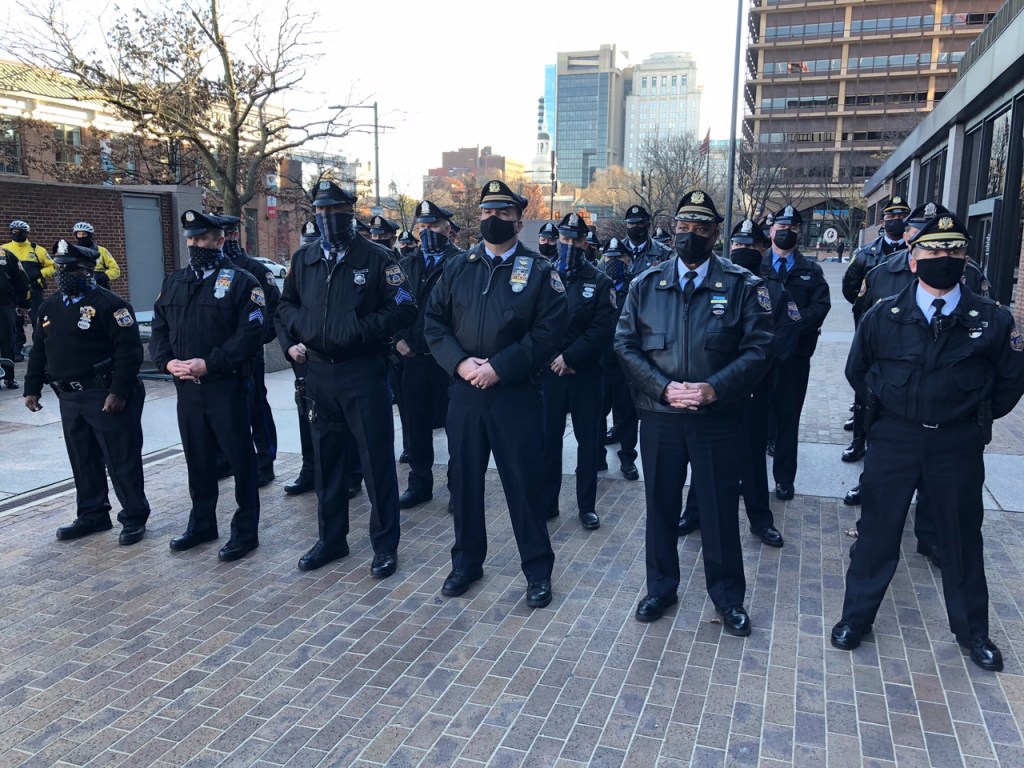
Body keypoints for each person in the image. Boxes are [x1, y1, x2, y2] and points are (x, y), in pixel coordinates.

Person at [831, 212, 1024, 672]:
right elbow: (858, 373)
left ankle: (972, 631)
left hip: (955, 445)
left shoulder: (991, 320)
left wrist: (967, 416)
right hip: (895, 439)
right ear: (913, 261)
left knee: (960, 539)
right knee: (877, 534)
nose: (945, 259)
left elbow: (1010, 382)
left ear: (965, 259)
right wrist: (890, 416)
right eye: (934, 251)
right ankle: (855, 619)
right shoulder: (884, 314)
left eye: (954, 251)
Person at [615, 190, 773, 632]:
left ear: (716, 232)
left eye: (701, 228)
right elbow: (624, 345)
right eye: (684, 227)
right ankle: (660, 588)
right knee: (660, 505)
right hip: (661, 415)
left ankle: (728, 598)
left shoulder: (743, 285)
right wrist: (663, 389)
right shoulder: (645, 285)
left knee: (720, 510)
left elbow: (759, 350)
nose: (690, 235)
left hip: (716, 417)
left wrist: (711, 389)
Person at [424, 179, 567, 608]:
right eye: (487, 212)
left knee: (524, 487)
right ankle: (466, 563)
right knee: (464, 485)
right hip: (466, 394)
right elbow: (434, 323)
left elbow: (549, 332)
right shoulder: (458, 267)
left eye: (503, 213)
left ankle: (538, 571)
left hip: (515, 396)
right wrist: (461, 364)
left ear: (519, 220)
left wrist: (500, 368)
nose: (493, 219)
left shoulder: (540, 271)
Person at [275, 180, 415, 578]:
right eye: (319, 211)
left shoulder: (377, 258)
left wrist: (359, 328)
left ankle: (385, 545)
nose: (326, 218)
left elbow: (404, 306)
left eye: (334, 210)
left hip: (362, 372)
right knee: (328, 464)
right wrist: (303, 329)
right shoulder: (304, 260)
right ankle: (331, 539)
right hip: (319, 375)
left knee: (375, 464)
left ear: (350, 210)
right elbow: (286, 305)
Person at [150, 210, 264, 561]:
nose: (194, 244)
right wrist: (166, 361)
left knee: (240, 461)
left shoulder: (243, 281)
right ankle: (202, 523)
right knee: (198, 460)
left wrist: (210, 363)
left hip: (225, 387)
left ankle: (245, 531)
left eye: (202, 238)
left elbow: (252, 332)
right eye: (191, 238)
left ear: (220, 240)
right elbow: (159, 328)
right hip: (188, 390)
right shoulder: (175, 281)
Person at [677, 219, 796, 547]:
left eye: (749, 246)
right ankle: (694, 512)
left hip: (754, 390)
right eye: (737, 245)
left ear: (762, 249)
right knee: (706, 458)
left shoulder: (772, 288)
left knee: (752, 458)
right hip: (715, 389)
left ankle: (760, 519)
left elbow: (782, 340)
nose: (742, 251)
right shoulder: (721, 283)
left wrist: (747, 373)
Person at [23, 239, 150, 545]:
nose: (63, 273)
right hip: (69, 396)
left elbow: (129, 352)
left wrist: (118, 391)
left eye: (71, 268)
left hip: (104, 393)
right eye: (60, 267)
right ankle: (92, 514)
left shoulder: (111, 305)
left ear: (87, 270)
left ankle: (133, 517)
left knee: (120, 458)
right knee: (83, 458)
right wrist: (32, 388)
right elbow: (40, 349)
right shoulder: (49, 306)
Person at [540, 213, 618, 529]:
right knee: (548, 442)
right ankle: (547, 502)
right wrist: (551, 358)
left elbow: (604, 329)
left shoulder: (600, 281)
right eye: (565, 239)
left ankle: (586, 506)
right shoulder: (543, 276)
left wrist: (569, 357)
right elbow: (534, 324)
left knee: (588, 443)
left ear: (585, 243)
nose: (569, 245)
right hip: (550, 374)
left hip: (585, 373)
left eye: (575, 240)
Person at [395, 200, 461, 509]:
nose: (427, 232)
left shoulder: (461, 263)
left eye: (433, 226)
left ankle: (457, 486)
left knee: (455, 427)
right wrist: (396, 339)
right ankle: (419, 483)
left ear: (448, 227)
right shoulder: (407, 264)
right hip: (414, 358)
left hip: (447, 362)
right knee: (416, 425)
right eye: (423, 226)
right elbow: (390, 306)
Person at [763, 205, 831, 499]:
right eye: (781, 226)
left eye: (792, 227)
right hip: (759, 357)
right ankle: (748, 476)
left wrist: (791, 325)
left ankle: (784, 479)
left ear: (799, 232)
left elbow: (820, 307)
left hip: (795, 357)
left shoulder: (811, 270)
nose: (785, 232)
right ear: (770, 231)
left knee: (788, 419)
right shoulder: (757, 265)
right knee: (755, 419)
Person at [840, 196, 911, 463]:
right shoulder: (865, 254)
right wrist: (866, 312)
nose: (896, 221)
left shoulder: (917, 255)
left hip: (906, 335)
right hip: (872, 332)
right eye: (891, 217)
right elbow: (851, 288)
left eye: (901, 216)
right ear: (883, 221)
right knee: (864, 387)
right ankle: (859, 440)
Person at [219, 214, 281, 487]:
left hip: (248, 355)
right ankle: (225, 460)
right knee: (226, 410)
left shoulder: (254, 269)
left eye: (231, 234)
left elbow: (274, 310)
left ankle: (265, 461)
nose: (228, 240)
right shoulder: (214, 270)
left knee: (256, 407)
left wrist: (255, 342)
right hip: (218, 357)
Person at [599, 237, 640, 480]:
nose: (614, 262)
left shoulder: (637, 288)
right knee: (598, 413)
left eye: (619, 258)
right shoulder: (598, 283)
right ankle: (598, 457)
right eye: (609, 258)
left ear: (629, 260)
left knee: (626, 414)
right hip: (601, 361)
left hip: (626, 363)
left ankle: (628, 459)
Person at [5, 220, 54, 358]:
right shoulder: (4, 249)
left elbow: (52, 266)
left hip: (34, 288)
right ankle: (16, 350)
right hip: (13, 290)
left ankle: (39, 349)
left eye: (20, 232)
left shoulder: (38, 249)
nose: (17, 234)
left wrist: (40, 274)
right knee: (14, 319)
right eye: (14, 231)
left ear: (27, 233)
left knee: (37, 318)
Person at [0, 242, 28, 388]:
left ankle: (9, 377)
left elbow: (21, 280)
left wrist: (23, 304)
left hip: (4, 306)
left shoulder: (6, 255)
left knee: (7, 341)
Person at [623, 205, 673, 275]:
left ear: (648, 226)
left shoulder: (663, 253)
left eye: (639, 223)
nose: (634, 227)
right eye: (631, 223)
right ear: (626, 225)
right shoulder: (616, 250)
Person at [71, 222, 121, 290]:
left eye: (84, 234)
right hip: (79, 287)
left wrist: (102, 277)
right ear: (76, 236)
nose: (82, 236)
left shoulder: (102, 251)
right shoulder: (71, 251)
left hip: (100, 287)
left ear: (89, 235)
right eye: (79, 234)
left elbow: (115, 270)